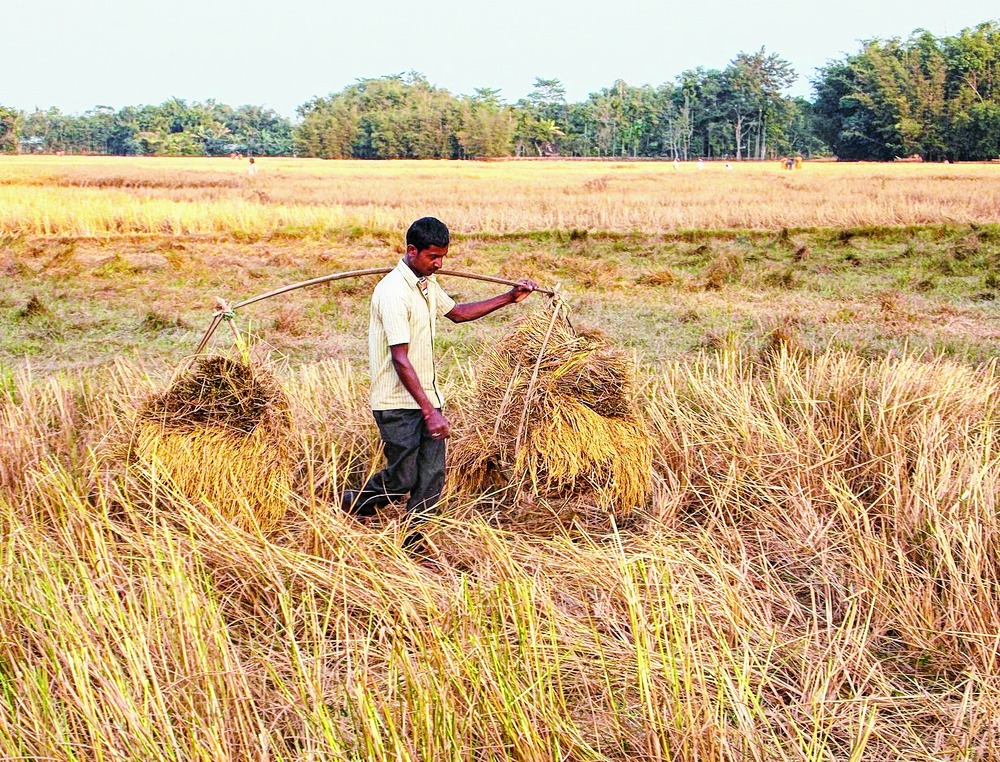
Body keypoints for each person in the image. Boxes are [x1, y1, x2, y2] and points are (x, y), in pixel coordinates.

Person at [343, 217, 538, 541]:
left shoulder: (425, 283)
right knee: (402, 479)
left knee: (432, 478)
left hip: (427, 398)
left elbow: (458, 313)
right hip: (397, 403)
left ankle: (413, 542)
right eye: (433, 257)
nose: (439, 264)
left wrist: (509, 297)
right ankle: (352, 503)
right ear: (411, 250)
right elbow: (400, 359)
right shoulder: (392, 292)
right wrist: (430, 412)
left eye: (443, 256)